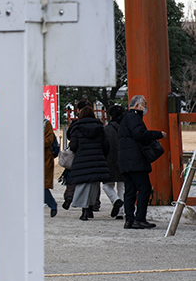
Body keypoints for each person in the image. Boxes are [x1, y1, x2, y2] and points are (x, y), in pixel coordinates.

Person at [117, 95, 164, 229]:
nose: (145, 107)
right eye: (144, 104)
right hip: (135, 160)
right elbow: (140, 134)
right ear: (137, 105)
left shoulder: (124, 119)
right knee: (144, 188)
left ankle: (129, 219)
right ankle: (140, 218)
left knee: (130, 190)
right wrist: (158, 134)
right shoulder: (133, 117)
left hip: (125, 160)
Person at [62, 103, 110, 220]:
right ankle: (90, 210)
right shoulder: (100, 127)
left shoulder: (77, 128)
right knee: (94, 185)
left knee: (83, 185)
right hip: (97, 160)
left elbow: (73, 146)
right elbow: (106, 145)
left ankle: (84, 212)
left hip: (82, 160)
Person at [103, 104, 126, 218]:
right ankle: (121, 212)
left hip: (109, 161)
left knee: (107, 185)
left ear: (110, 116)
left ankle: (116, 200)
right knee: (122, 186)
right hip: (124, 160)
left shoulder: (106, 129)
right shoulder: (126, 129)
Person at [42, 118, 59, 217]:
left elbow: (48, 140)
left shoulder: (46, 124)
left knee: (41, 185)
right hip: (33, 158)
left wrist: (34, 142)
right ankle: (51, 204)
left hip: (44, 158)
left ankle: (52, 204)